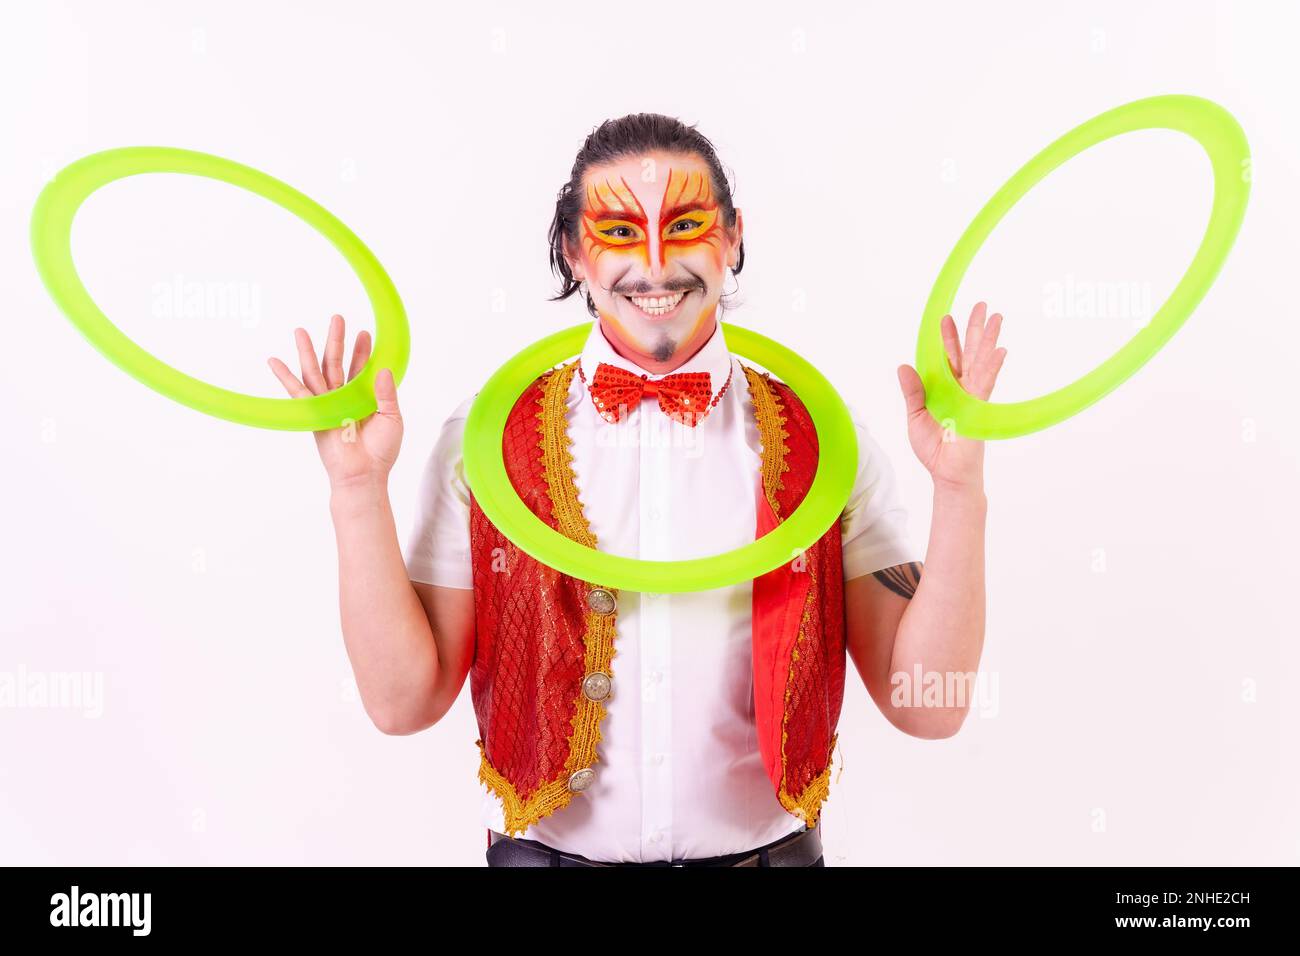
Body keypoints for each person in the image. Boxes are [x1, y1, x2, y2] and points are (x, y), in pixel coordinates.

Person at [268, 113, 1005, 868]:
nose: (655, 264)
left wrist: (960, 490)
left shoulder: (825, 442)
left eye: (685, 224)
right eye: (618, 232)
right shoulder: (483, 443)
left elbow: (931, 706)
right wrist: (356, 490)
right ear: (572, 252)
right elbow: (401, 704)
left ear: (732, 238)